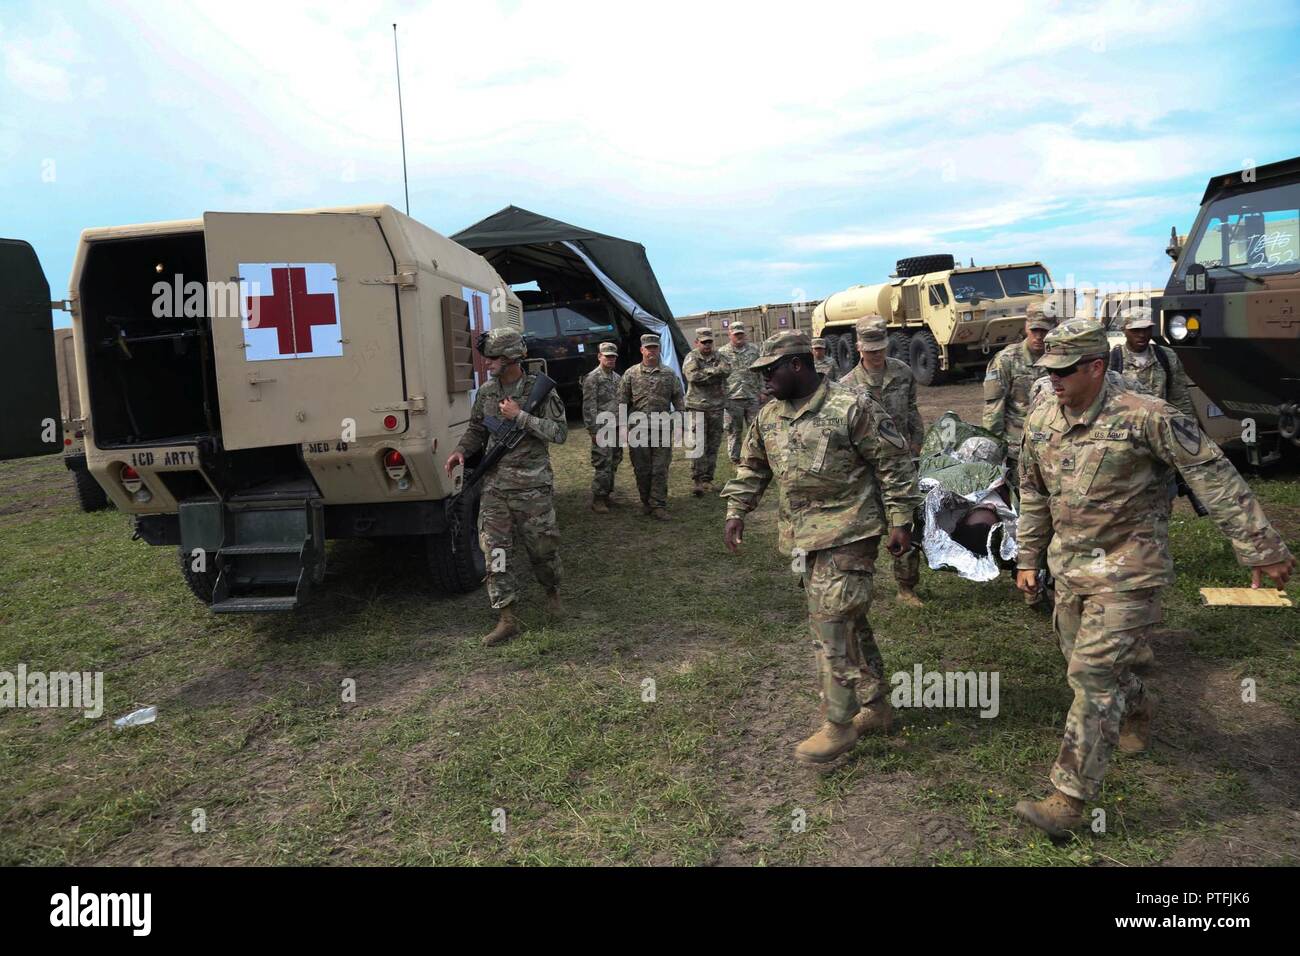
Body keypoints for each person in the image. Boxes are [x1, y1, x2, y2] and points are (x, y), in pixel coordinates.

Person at [1012, 319, 1295, 838]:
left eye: (1065, 370)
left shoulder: (1147, 415)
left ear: (1096, 367)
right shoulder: (1043, 415)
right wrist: (1027, 557)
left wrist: (1260, 545)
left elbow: (1211, 472)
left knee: (1093, 677)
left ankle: (1067, 801)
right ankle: (1138, 703)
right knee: (1088, 665)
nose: (1053, 379)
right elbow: (1032, 491)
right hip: (1071, 568)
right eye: (1048, 370)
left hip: (1130, 569)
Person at [721, 330, 922, 765]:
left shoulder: (852, 406)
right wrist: (737, 509)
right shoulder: (769, 416)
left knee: (831, 622)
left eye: (769, 372)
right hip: (802, 539)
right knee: (851, 621)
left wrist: (902, 519)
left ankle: (838, 724)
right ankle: (878, 705)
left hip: (851, 530)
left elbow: (893, 464)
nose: (763, 381)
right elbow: (753, 466)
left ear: (796, 366)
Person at [444, 328, 568, 646]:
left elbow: (559, 433)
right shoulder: (486, 392)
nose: (487, 364)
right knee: (495, 552)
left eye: (493, 358)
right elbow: (476, 428)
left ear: (511, 358)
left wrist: (521, 416)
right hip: (495, 487)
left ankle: (552, 592)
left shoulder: (539, 389)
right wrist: (461, 451)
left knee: (542, 548)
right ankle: (507, 616)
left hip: (532, 486)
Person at [840, 316, 927, 607]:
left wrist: (916, 443)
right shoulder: (846, 386)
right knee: (862, 527)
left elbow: (912, 410)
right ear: (858, 347)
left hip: (901, 462)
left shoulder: (902, 372)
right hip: (865, 467)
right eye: (870, 349)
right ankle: (859, 582)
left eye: (880, 348)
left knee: (905, 521)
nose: (876, 355)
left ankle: (906, 587)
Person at [983, 304, 1056, 491]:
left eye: (1044, 331)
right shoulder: (1006, 360)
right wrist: (995, 454)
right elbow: (993, 411)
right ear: (1026, 327)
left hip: (1055, 447)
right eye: (1035, 330)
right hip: (1018, 451)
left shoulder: (1062, 360)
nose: (1039, 336)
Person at [619, 333, 686, 520]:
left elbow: (679, 400)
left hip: (663, 428)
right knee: (641, 468)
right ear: (642, 350)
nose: (651, 351)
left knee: (660, 468)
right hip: (638, 429)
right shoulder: (631, 374)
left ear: (659, 350)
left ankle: (658, 505)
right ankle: (646, 502)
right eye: (648, 348)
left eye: (654, 348)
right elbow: (622, 402)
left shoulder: (669, 374)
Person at [1109, 311, 1195, 418]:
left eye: (1147, 329)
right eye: (1135, 330)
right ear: (1124, 330)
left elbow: (1180, 399)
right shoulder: (1113, 360)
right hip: (1127, 427)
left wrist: (1188, 428)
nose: (1142, 335)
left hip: (1160, 426)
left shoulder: (1166, 356)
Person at [682, 327, 731, 495]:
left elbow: (727, 370)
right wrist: (714, 373)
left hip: (717, 406)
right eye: (703, 342)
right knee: (698, 444)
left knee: (713, 444)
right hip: (697, 407)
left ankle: (708, 479)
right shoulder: (692, 357)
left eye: (709, 342)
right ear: (697, 343)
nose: (707, 345)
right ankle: (697, 480)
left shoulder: (719, 356)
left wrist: (707, 372)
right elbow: (692, 376)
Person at [582, 341, 622, 513]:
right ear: (600, 357)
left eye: (613, 356)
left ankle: (607, 495)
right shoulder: (593, 378)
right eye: (607, 356)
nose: (611, 359)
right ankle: (598, 499)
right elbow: (589, 405)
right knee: (602, 463)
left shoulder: (617, 378)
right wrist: (592, 429)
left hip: (617, 427)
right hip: (602, 428)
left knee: (614, 461)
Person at [718, 321, 762, 465]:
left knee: (755, 430)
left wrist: (763, 391)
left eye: (741, 334)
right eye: (736, 334)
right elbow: (718, 376)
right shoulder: (722, 353)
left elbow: (761, 371)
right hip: (732, 398)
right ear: (729, 335)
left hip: (752, 396)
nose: (739, 337)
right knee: (734, 431)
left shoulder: (755, 350)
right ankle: (736, 460)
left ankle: (753, 457)